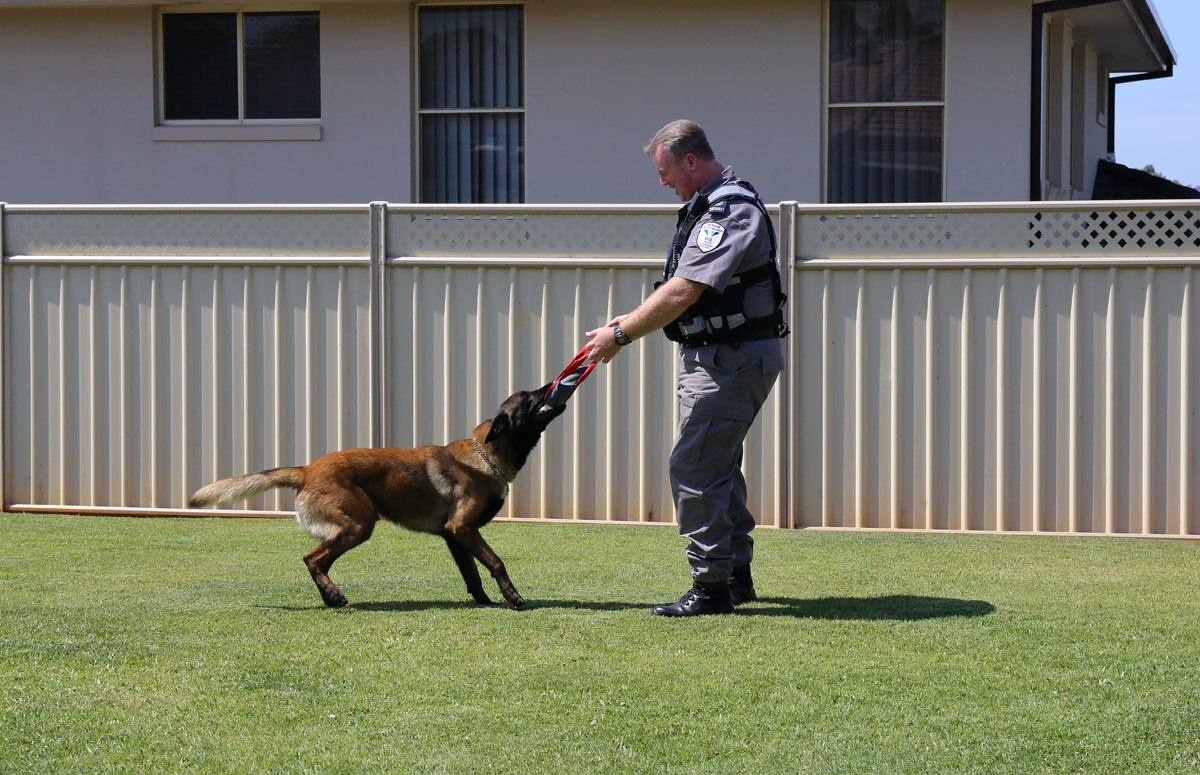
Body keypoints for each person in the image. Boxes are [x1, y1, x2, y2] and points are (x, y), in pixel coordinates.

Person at [584, 120, 787, 617]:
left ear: (690, 160)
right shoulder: (710, 205)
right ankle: (734, 576)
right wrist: (627, 321)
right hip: (720, 355)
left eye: (665, 172)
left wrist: (621, 335)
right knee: (717, 464)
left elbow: (683, 290)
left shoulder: (728, 210)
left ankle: (711, 586)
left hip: (730, 358)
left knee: (694, 466)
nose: (662, 183)